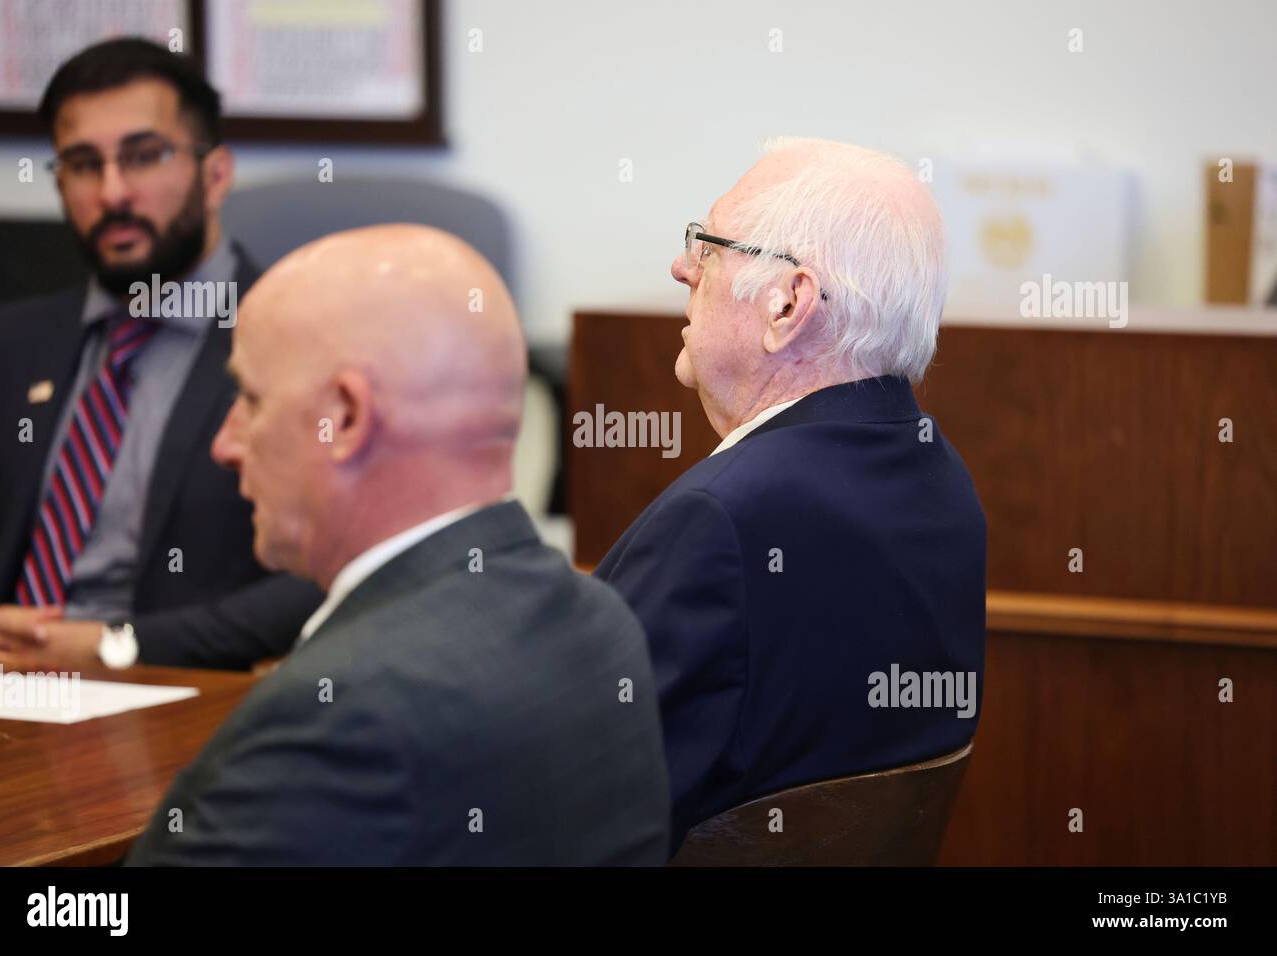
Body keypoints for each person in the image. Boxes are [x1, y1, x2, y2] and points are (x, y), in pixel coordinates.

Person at [127, 224, 671, 865]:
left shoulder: (338, 718)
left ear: (347, 419)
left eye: (249, 398)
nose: (226, 443)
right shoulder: (602, 620)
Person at [595, 138, 987, 853]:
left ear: (787, 304)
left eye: (709, 247)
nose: (682, 267)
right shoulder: (942, 478)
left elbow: (576, 800)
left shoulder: (721, 520)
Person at [0, 38, 321, 670]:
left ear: (215, 175)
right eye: (82, 165)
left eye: (143, 157)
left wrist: (112, 647)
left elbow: (328, 572)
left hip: (176, 697)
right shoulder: (8, 341)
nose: (113, 194)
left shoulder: (298, 333)